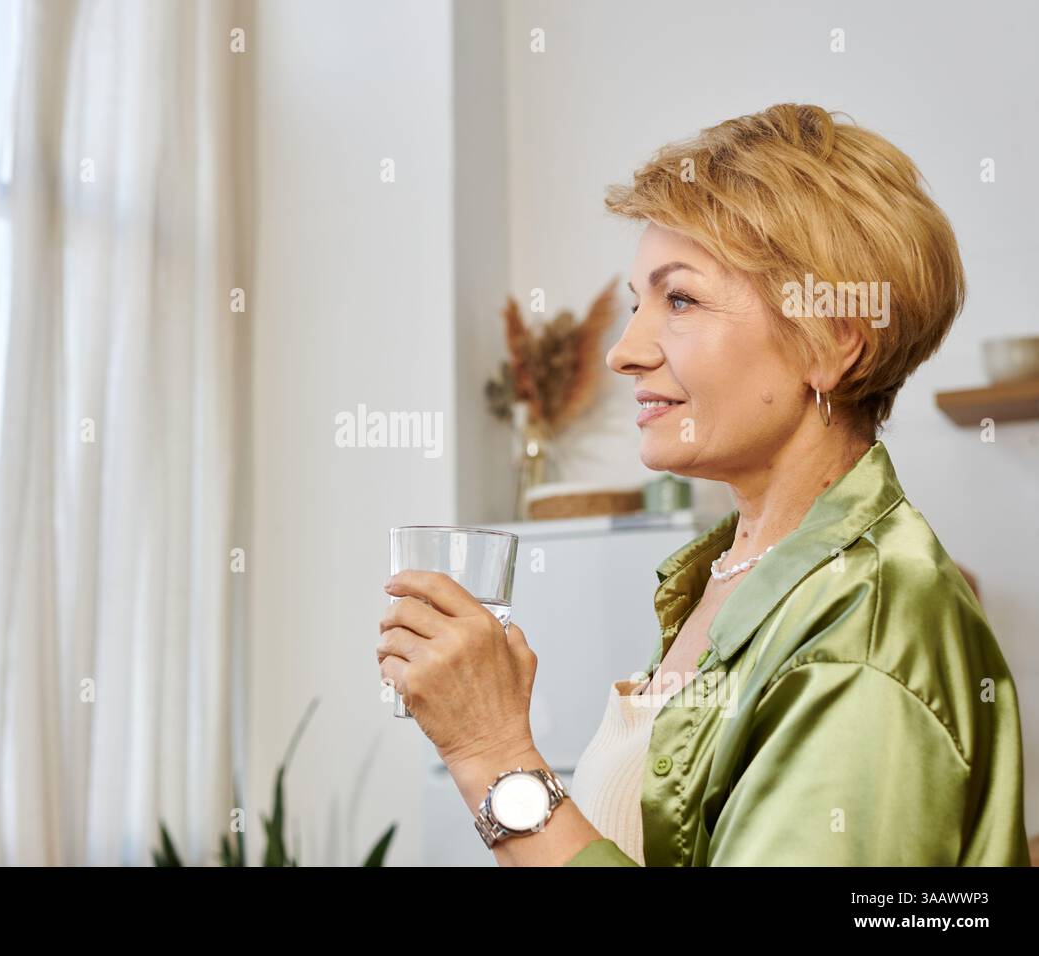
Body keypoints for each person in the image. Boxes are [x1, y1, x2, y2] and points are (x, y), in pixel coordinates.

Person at [377, 103, 1029, 866]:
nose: (625, 351)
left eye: (680, 299)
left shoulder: (863, 634)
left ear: (833, 344)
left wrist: (491, 751)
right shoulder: (732, 574)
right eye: (635, 303)